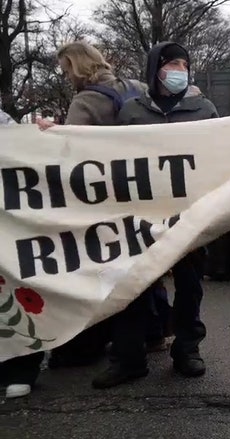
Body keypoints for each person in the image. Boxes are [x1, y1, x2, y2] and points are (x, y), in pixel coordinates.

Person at [91, 41, 219, 389]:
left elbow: (224, 152)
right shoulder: (132, 111)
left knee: (190, 285)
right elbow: (104, 154)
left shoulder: (203, 109)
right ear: (155, 68)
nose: (178, 70)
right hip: (141, 217)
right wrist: (50, 134)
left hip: (189, 214)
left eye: (183, 64)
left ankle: (187, 350)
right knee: (133, 285)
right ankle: (128, 359)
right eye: (171, 64)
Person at [37, 41, 151, 369]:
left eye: (65, 70)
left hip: (105, 198)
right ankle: (156, 331)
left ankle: (106, 345)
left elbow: (70, 151)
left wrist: (50, 133)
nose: (65, 77)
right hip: (144, 191)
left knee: (110, 265)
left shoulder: (85, 101)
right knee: (148, 260)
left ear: (76, 67)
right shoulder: (137, 88)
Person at [0, 109, 44, 399]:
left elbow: (26, 157)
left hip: (9, 220)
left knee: (14, 293)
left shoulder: (4, 123)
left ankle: (21, 368)